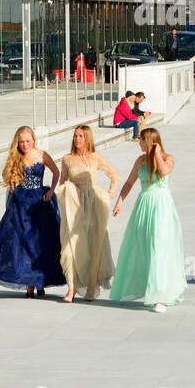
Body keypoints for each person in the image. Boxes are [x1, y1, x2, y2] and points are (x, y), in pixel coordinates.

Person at [0, 125, 65, 296]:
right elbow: (5, 174)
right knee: (23, 243)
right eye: (21, 141)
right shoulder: (16, 157)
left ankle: (40, 282)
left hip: (40, 201)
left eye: (27, 141)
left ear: (33, 140)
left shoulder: (42, 155)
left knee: (42, 243)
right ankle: (30, 285)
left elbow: (56, 171)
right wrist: (13, 187)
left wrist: (51, 190)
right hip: (22, 202)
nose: (24, 144)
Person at [110, 127, 186, 311]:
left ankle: (160, 297)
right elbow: (129, 182)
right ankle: (151, 289)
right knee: (144, 247)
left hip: (162, 206)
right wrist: (120, 201)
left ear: (151, 141)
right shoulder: (140, 160)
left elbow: (164, 171)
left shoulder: (168, 158)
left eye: (141, 140)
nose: (139, 143)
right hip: (144, 205)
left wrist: (157, 153)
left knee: (158, 247)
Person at [55, 125, 118, 302]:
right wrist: (65, 196)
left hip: (92, 204)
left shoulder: (95, 158)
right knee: (69, 248)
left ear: (87, 138)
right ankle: (71, 288)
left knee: (92, 245)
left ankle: (91, 287)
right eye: (75, 136)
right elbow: (62, 181)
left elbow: (114, 174)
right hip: (73, 205)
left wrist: (109, 194)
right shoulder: (67, 159)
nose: (77, 139)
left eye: (81, 136)